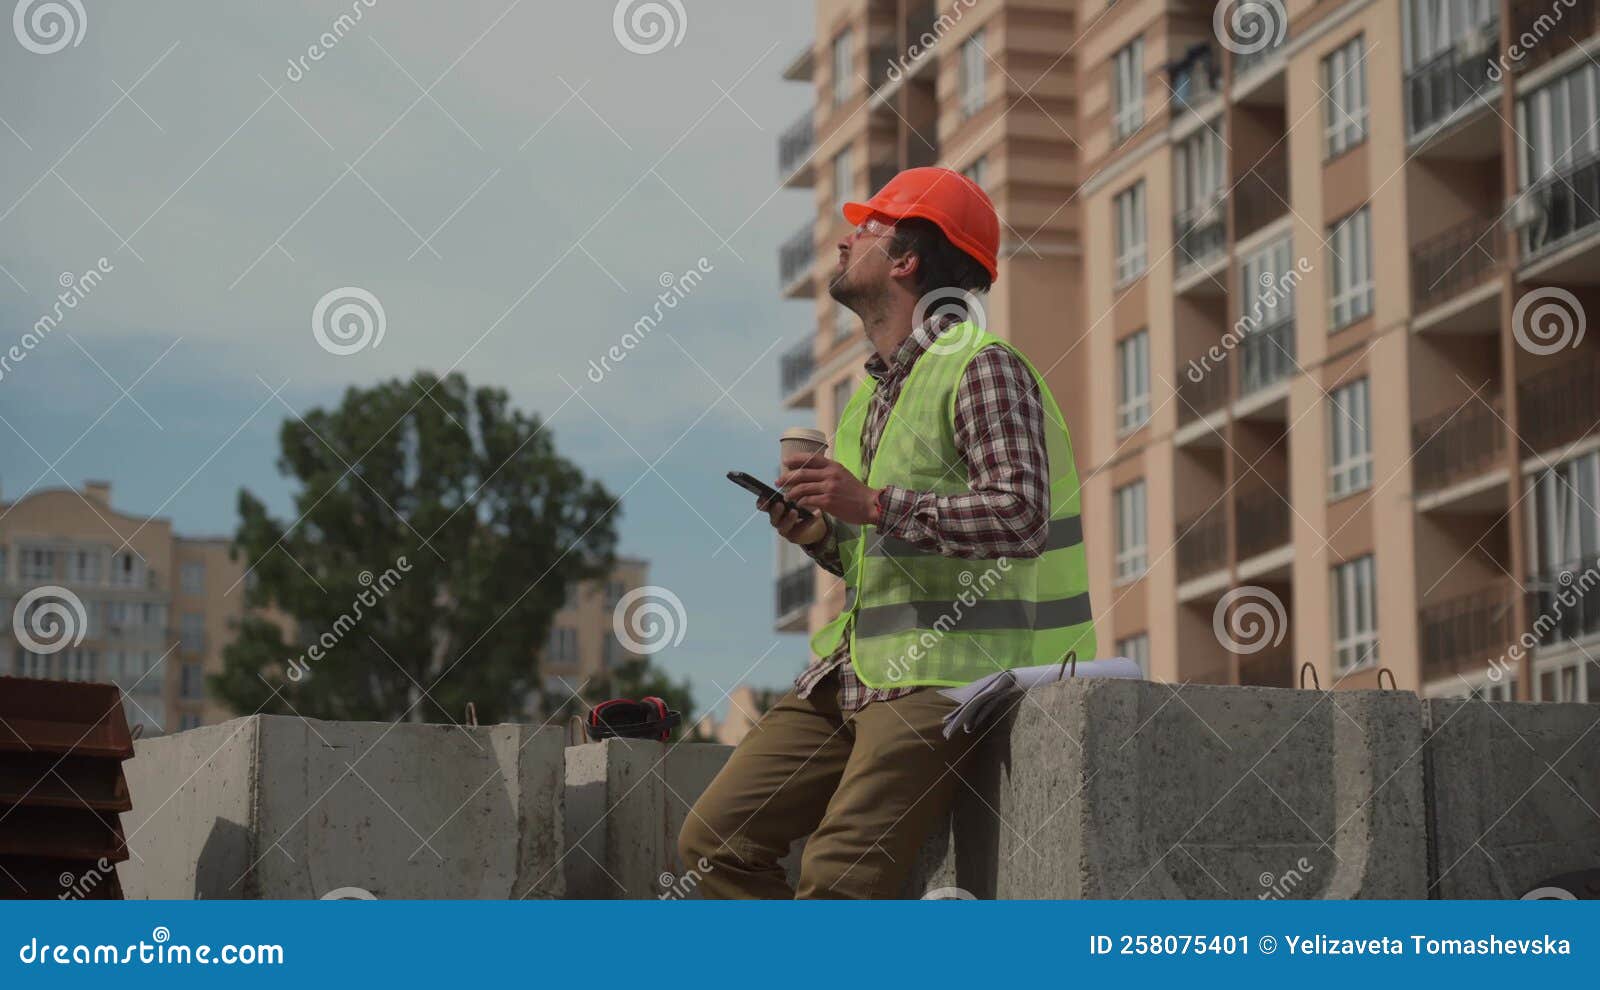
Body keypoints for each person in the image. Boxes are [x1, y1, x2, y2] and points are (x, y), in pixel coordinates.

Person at [679, 167, 1095, 898]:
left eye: (866, 229)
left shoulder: (979, 366)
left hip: (948, 675)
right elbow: (881, 549)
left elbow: (1022, 513)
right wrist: (818, 534)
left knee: (839, 877)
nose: (844, 240)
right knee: (715, 842)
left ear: (906, 261)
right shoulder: (870, 396)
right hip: (854, 672)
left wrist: (871, 504)